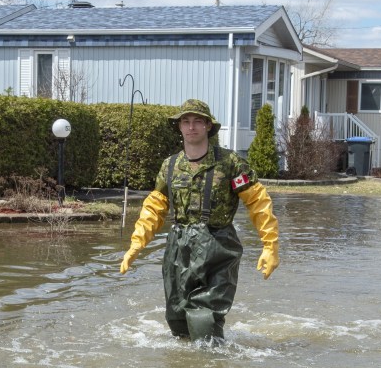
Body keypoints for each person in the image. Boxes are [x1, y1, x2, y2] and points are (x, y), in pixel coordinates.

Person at [120, 99, 279, 341]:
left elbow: (258, 202)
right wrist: (136, 244)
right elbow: (154, 207)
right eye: (186, 121)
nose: (191, 127)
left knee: (204, 319)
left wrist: (270, 245)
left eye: (197, 121)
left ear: (208, 126)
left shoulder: (231, 164)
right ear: (180, 128)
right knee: (177, 318)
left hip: (218, 247)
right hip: (178, 247)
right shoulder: (170, 166)